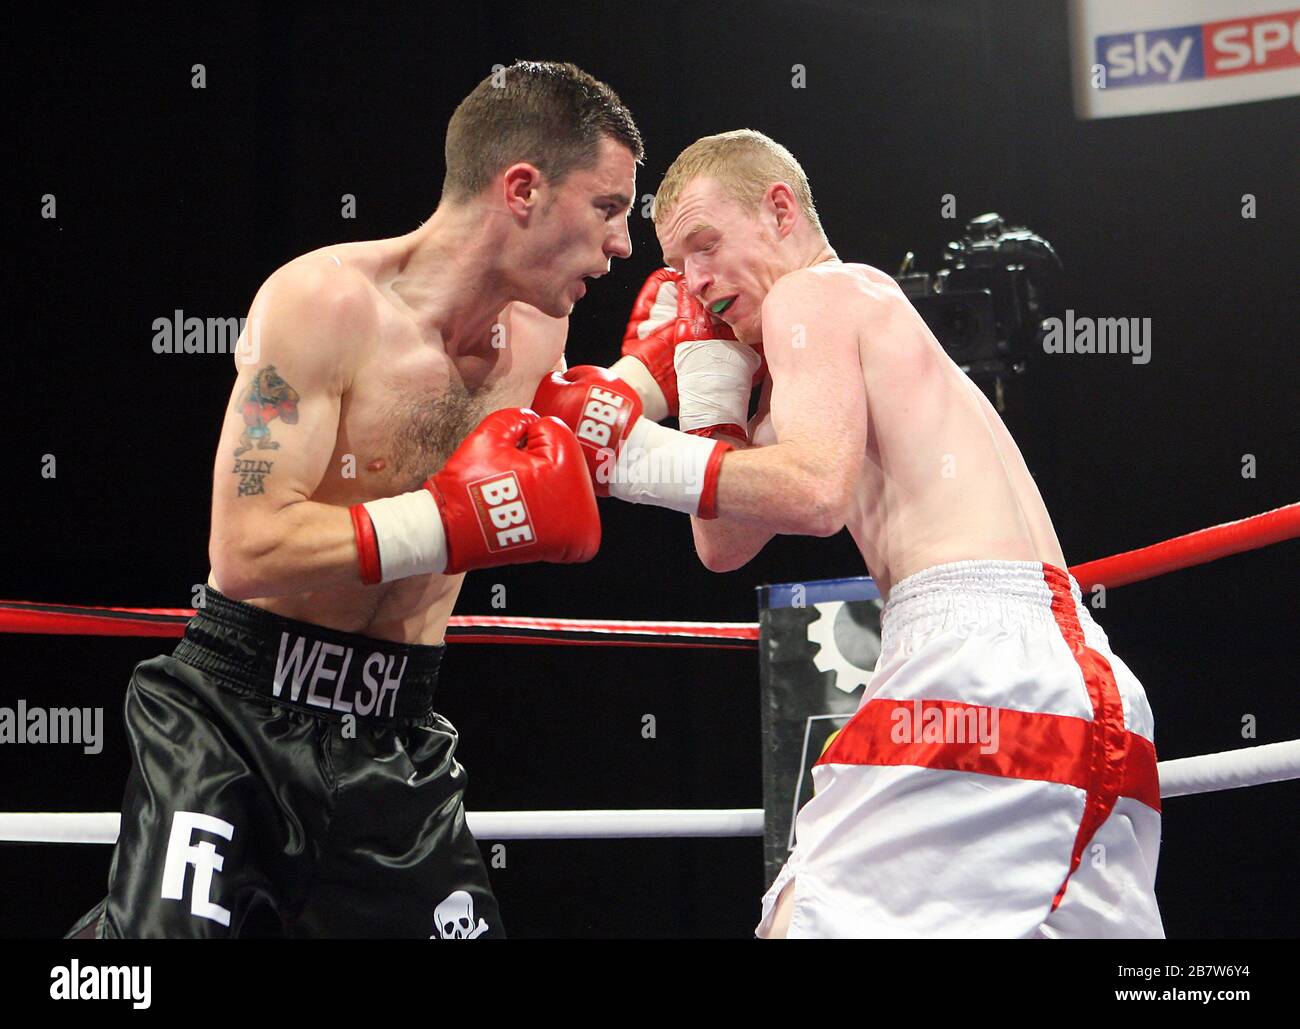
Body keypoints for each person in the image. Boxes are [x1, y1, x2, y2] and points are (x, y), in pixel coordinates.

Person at [535, 129, 1163, 939]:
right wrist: (713, 388)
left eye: (706, 244)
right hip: (1057, 672)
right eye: (680, 262)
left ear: (780, 208)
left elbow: (814, 493)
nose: (694, 279)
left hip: (975, 665)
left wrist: (617, 451)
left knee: (806, 921)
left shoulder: (818, 296)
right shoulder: (838, 337)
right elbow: (721, 544)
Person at [68, 60, 641, 939]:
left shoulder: (542, 332)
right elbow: (246, 550)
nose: (623, 245)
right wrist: (445, 522)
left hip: (396, 736)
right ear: (522, 187)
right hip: (235, 719)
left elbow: (570, 458)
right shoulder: (322, 303)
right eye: (607, 207)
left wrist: (681, 392)